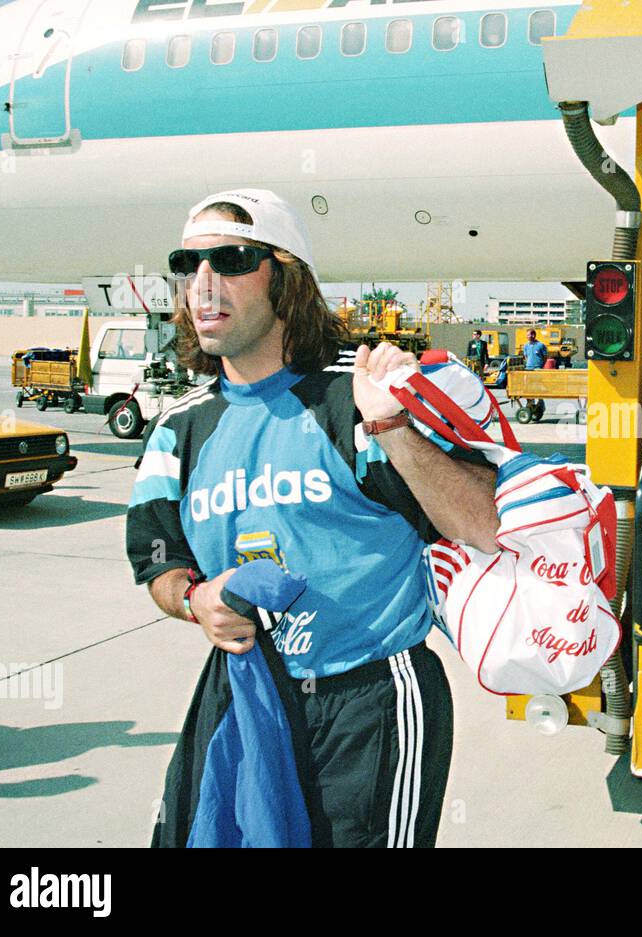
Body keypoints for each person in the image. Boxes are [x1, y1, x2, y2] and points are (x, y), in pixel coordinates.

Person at [126, 188, 499, 848]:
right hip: (244, 694)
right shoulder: (179, 428)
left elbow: (486, 522)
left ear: (287, 278)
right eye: (188, 264)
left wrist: (393, 426)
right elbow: (156, 556)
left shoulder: (351, 397)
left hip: (371, 698)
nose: (204, 284)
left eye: (233, 260)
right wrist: (195, 598)